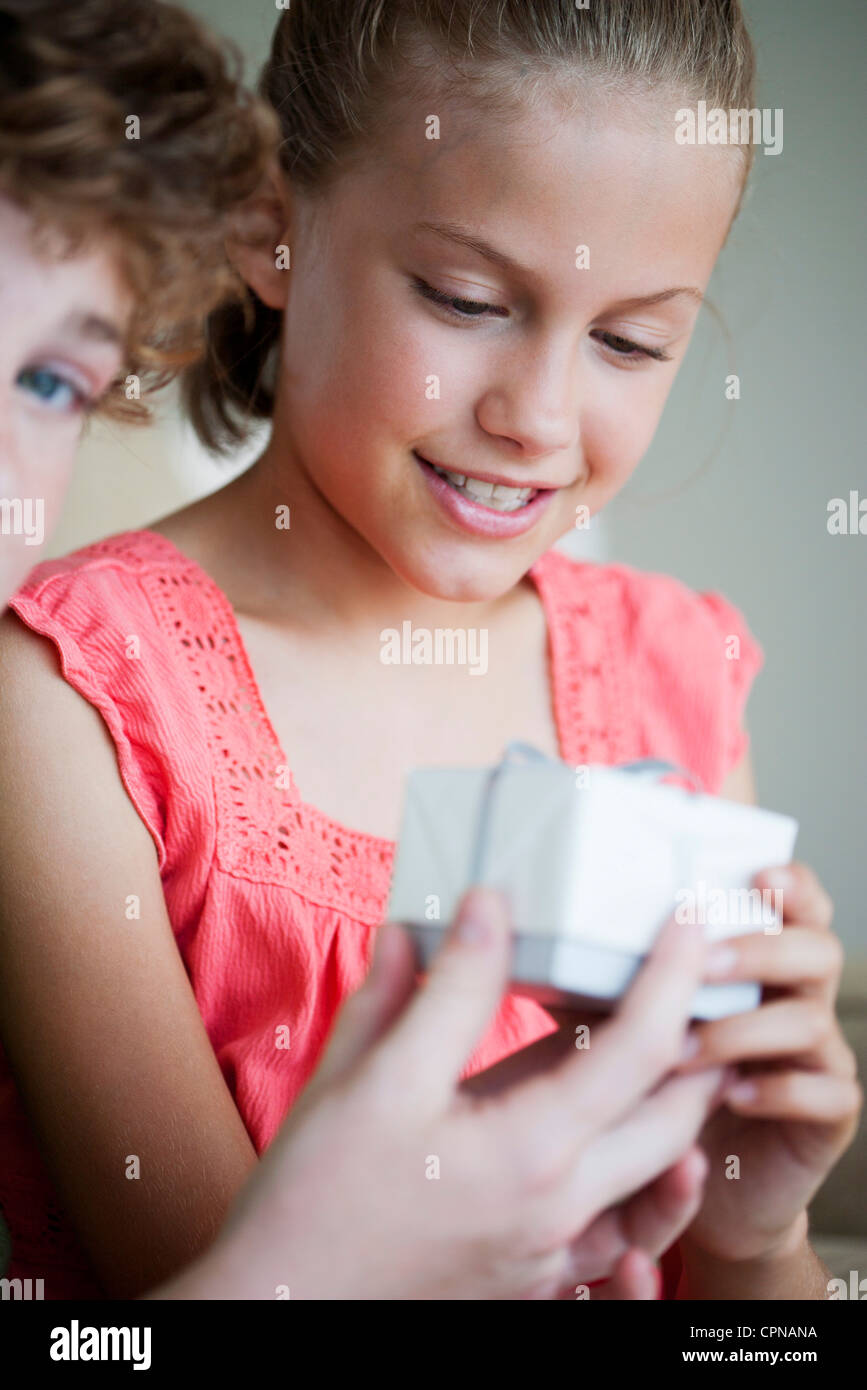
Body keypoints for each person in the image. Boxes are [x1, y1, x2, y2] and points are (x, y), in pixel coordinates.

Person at [0, 0, 859, 1302]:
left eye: (631, 339)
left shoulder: (671, 679)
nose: (539, 417)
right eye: (465, 300)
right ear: (271, 227)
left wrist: (750, 1244)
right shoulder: (67, 701)